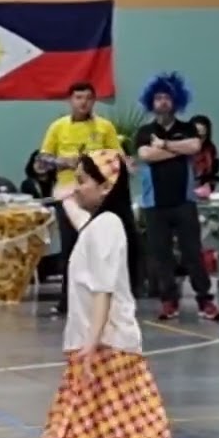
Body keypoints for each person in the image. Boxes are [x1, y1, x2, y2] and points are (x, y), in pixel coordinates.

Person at [26, 149, 196, 438]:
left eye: (85, 181)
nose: (78, 186)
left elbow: (103, 289)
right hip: (97, 343)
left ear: (106, 187)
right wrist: (68, 196)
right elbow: (81, 219)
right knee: (101, 434)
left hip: (107, 345)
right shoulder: (101, 224)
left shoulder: (108, 227)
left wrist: (92, 342)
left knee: (132, 430)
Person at [133, 72, 219, 322]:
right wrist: (174, 149)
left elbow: (194, 147)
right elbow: (146, 155)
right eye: (158, 98)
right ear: (152, 101)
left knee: (193, 252)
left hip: (184, 201)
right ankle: (168, 301)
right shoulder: (145, 131)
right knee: (161, 255)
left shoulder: (188, 128)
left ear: (176, 101)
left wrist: (164, 146)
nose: (162, 102)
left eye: (167, 97)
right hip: (155, 203)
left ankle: (205, 301)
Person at [38, 81, 123, 317]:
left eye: (87, 97)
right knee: (71, 250)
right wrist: (65, 162)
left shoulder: (104, 127)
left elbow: (117, 158)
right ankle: (67, 300)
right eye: (78, 97)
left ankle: (105, 301)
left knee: (101, 250)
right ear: (70, 100)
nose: (83, 102)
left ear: (94, 101)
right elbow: (43, 159)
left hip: (98, 197)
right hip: (68, 196)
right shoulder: (58, 127)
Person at [191, 114, 219, 193]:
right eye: (196, 136)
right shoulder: (181, 149)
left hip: (205, 194)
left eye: (202, 136)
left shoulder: (211, 149)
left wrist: (208, 185)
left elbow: (216, 175)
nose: (199, 140)